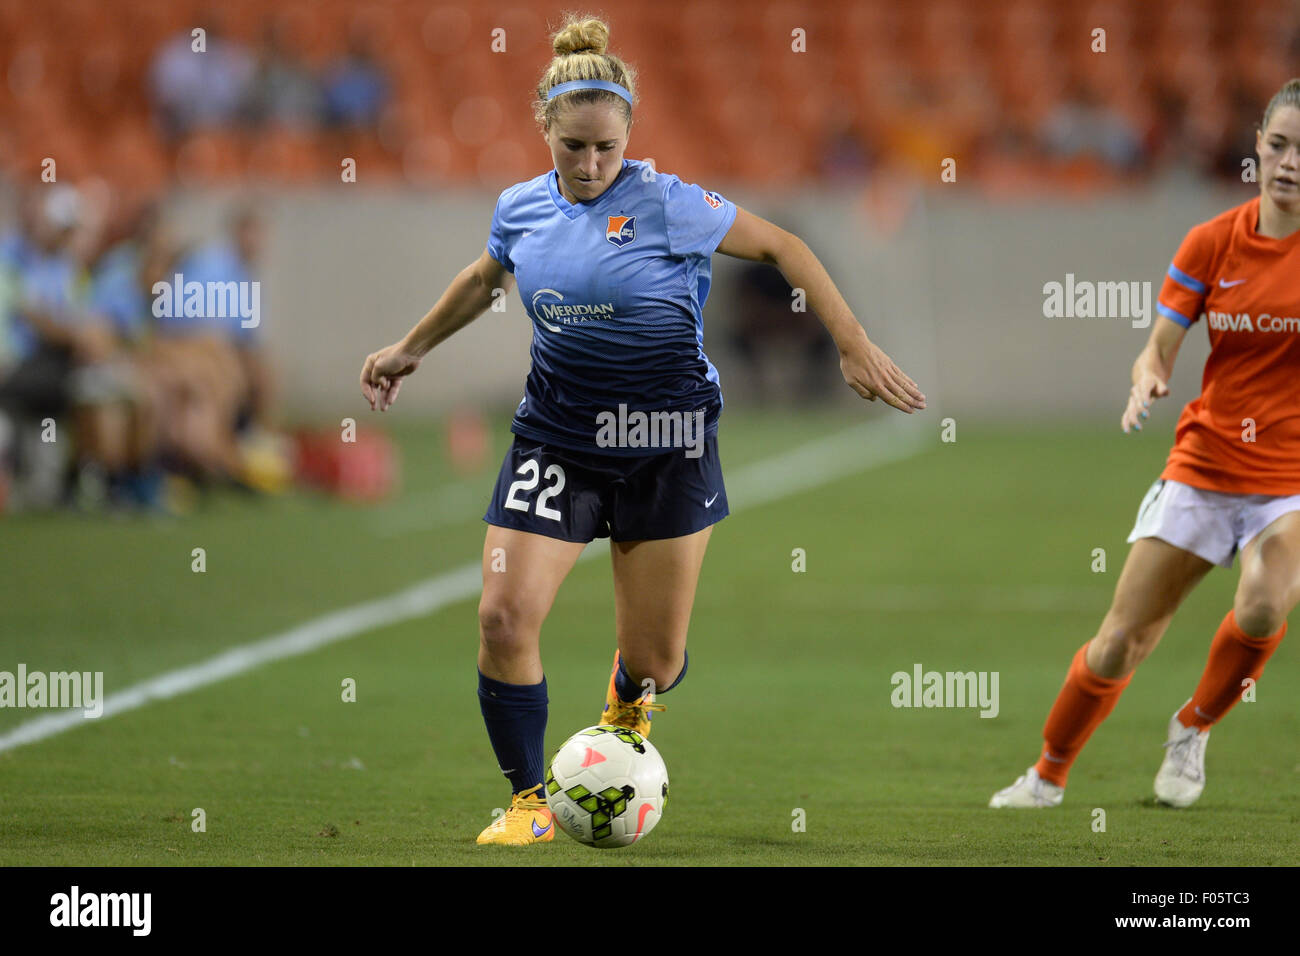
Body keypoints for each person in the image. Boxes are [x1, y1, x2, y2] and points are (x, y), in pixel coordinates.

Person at [359, 14, 925, 846]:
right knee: (502, 617)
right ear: (545, 131)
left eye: (607, 149)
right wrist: (410, 347)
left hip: (666, 443)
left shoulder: (669, 204)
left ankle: (630, 700)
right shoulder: (520, 209)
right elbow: (485, 278)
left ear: (629, 139)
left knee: (658, 662)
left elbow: (785, 247)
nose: (591, 166)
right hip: (556, 441)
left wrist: (852, 342)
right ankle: (526, 802)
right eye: (574, 147)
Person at [991, 78, 1300, 810]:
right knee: (1119, 644)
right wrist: (1145, 380)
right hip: (1203, 466)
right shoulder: (1212, 241)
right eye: (1280, 144)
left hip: (1287, 478)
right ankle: (1048, 773)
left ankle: (1192, 729)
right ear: (1258, 146)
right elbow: (1159, 347)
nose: (1290, 162)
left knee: (1265, 602)